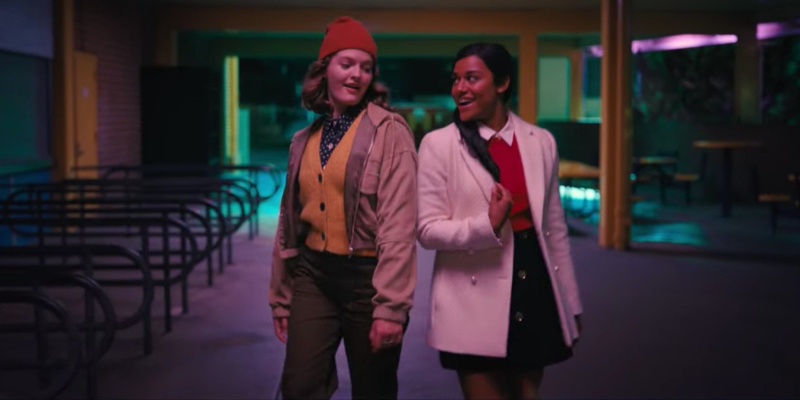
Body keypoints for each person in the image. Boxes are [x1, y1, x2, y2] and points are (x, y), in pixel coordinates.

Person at [416, 43, 583, 400]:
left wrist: (570, 302)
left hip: (534, 283)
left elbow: (554, 232)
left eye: (472, 78)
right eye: (456, 79)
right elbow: (427, 230)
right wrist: (485, 224)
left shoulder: (541, 142)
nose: (460, 88)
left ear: (503, 83)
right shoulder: (438, 145)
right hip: (471, 295)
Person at [268, 16, 418, 400]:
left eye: (366, 67)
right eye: (346, 64)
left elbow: (399, 225)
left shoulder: (390, 132)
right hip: (313, 276)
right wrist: (281, 295)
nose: (357, 75)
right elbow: (289, 223)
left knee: (373, 391)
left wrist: (391, 308)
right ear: (325, 69)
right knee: (298, 386)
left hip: (368, 282)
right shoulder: (303, 139)